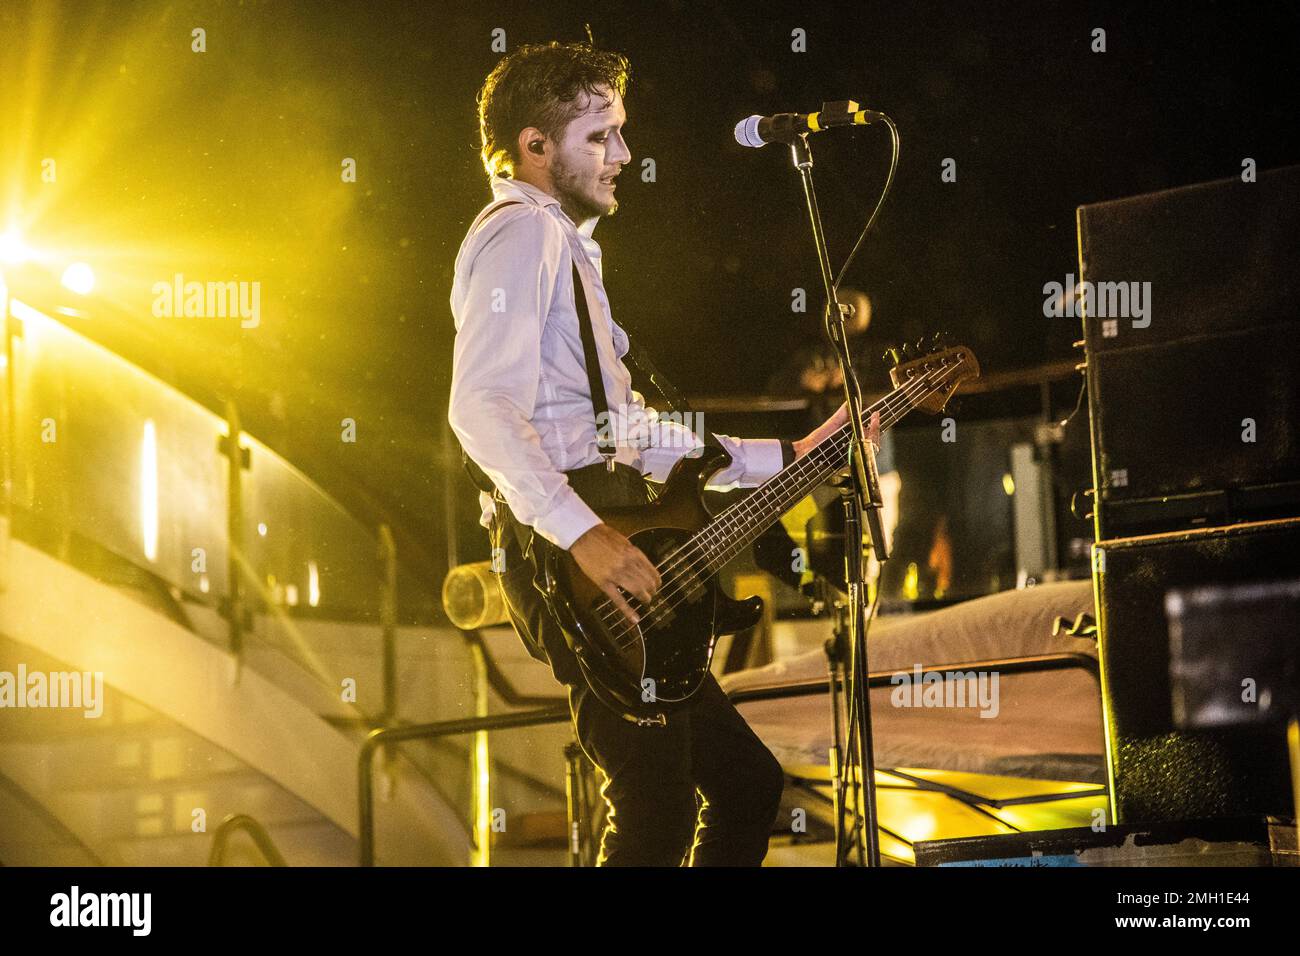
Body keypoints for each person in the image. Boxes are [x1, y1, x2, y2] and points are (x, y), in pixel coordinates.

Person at [448, 40, 847, 866]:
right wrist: (584, 536)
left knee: (743, 789)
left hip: (618, 550)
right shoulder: (522, 235)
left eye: (620, 133)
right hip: (588, 563)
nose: (624, 155)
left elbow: (621, 430)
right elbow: (478, 408)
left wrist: (794, 454)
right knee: (654, 811)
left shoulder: (560, 244)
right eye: (600, 136)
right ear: (534, 145)